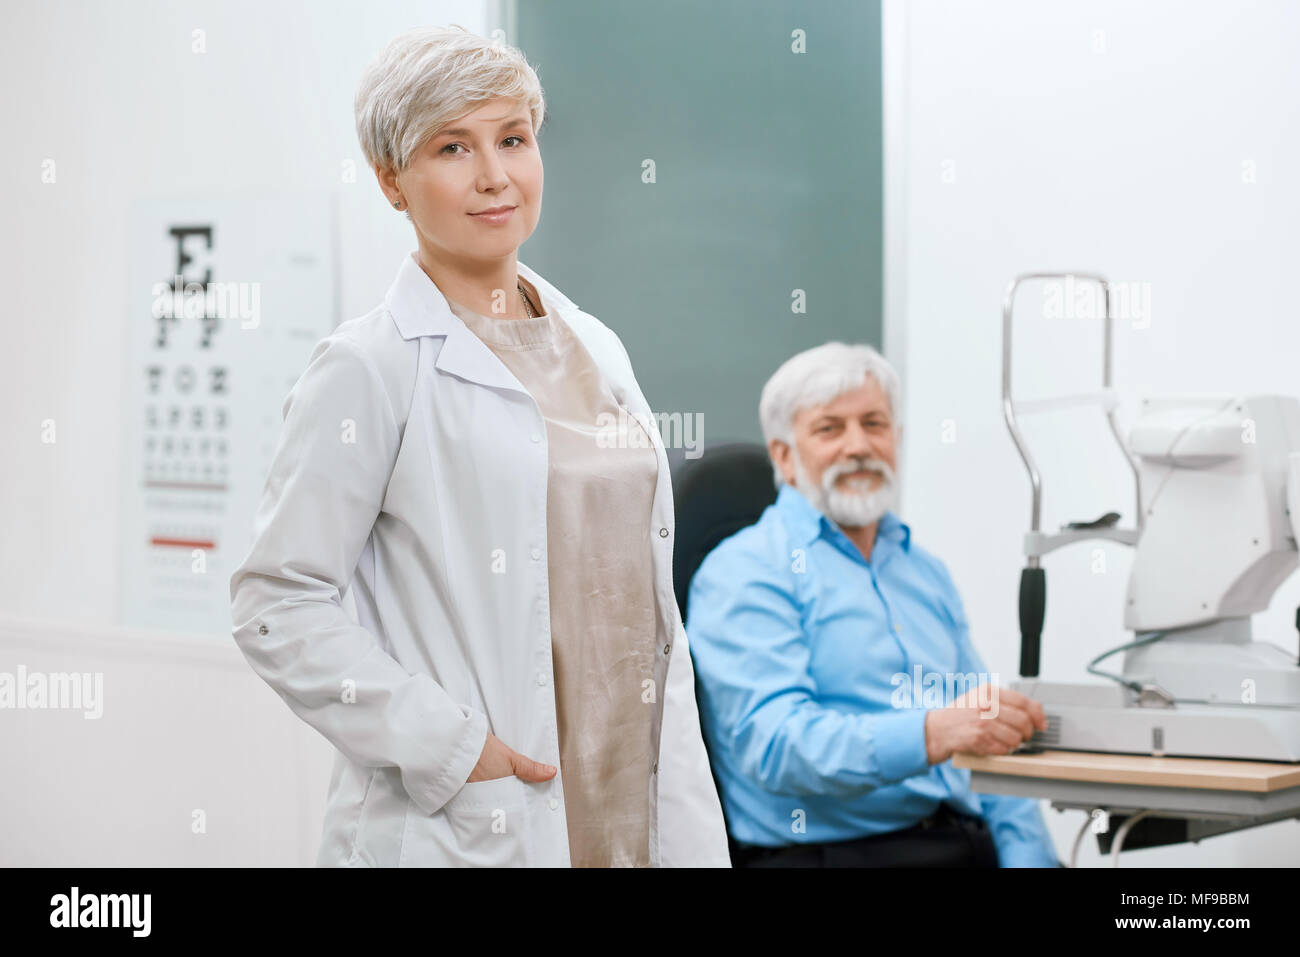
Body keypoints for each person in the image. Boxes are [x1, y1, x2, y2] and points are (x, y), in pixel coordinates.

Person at [228, 24, 729, 867]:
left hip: (633, 799)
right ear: (392, 180)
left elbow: (642, 605)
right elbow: (276, 603)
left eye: (514, 139)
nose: (495, 175)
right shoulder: (373, 365)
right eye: (452, 147)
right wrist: (452, 747)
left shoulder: (596, 347)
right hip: (484, 814)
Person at [685, 342, 1061, 867]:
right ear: (784, 456)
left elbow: (985, 735)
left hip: (961, 842)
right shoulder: (746, 571)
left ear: (897, 440)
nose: (857, 445)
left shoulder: (923, 571)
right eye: (829, 428)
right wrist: (930, 733)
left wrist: (1030, 862)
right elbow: (773, 746)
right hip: (831, 855)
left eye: (874, 423)